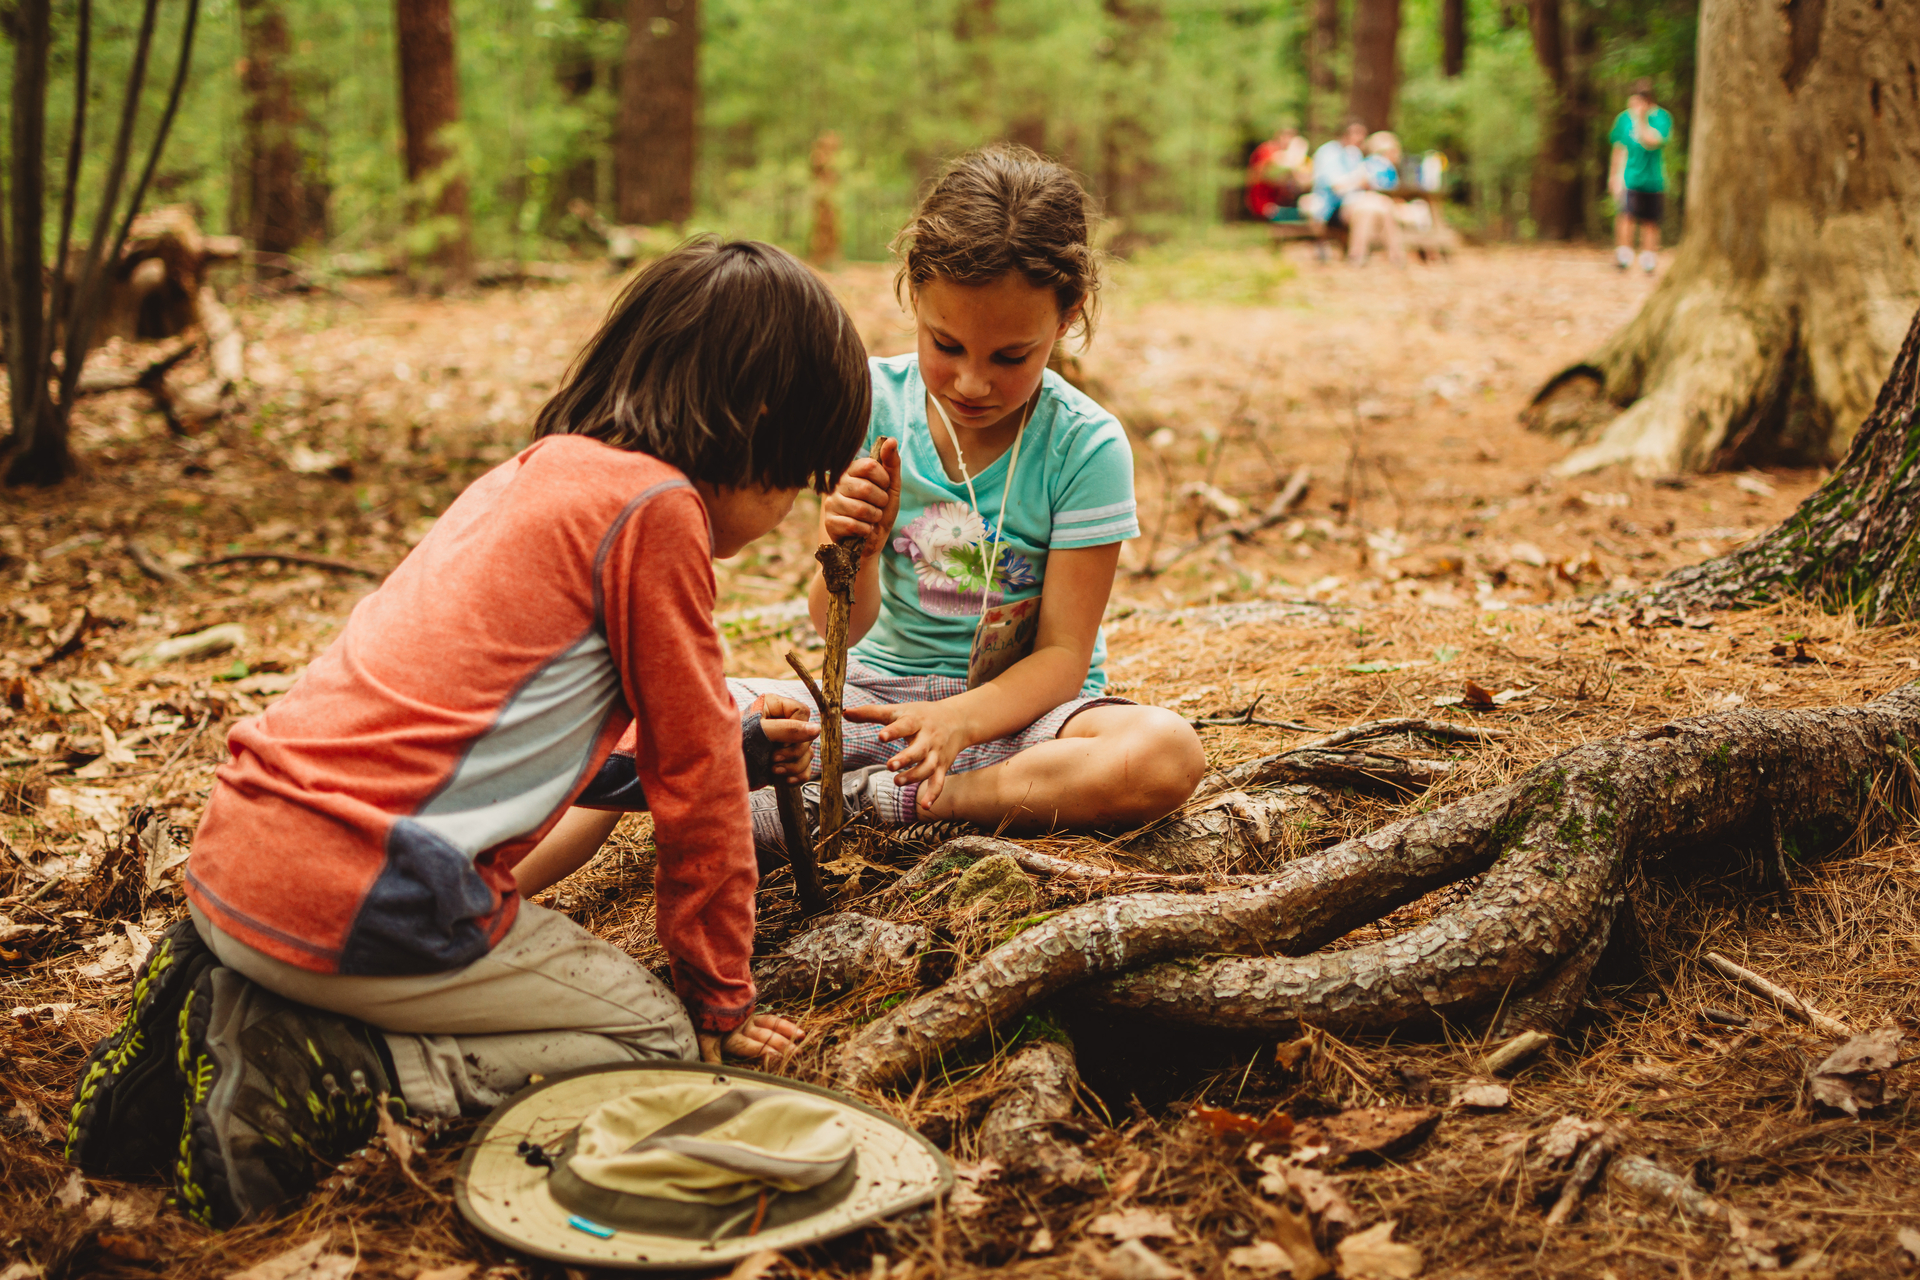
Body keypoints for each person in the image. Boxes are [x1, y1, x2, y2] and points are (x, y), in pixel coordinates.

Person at [65, 239, 872, 1227]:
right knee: (650, 1043)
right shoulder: (661, 512)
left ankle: (209, 994)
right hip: (363, 898)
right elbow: (697, 791)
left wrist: (739, 747)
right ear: (754, 426)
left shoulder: (535, 479)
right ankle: (337, 1069)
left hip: (239, 868)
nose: (787, 505)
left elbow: (486, 742)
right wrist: (719, 1001)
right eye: (793, 475)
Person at [660, 144, 1204, 854]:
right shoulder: (870, 405)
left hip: (1020, 722)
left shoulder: (1085, 447)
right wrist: (852, 549)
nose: (972, 383)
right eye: (945, 344)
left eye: (1011, 356)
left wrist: (962, 723)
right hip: (873, 704)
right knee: (669, 714)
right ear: (914, 294)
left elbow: (1064, 655)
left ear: (1066, 317)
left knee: (1164, 753)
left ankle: (898, 802)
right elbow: (835, 628)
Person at [1311, 121, 1404, 267]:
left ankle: (1394, 255)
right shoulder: (1328, 153)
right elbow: (1335, 186)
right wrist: (1358, 181)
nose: (1361, 139)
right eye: (1357, 134)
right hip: (1332, 206)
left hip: (1355, 202)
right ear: (1345, 135)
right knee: (1366, 210)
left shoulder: (1354, 153)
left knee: (1385, 205)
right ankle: (1358, 255)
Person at [1609, 78, 1673, 273]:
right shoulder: (1623, 119)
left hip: (1654, 179)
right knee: (1626, 215)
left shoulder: (1662, 118)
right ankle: (1624, 256)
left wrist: (1642, 119)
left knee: (1650, 220)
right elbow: (1618, 148)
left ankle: (1648, 259)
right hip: (1630, 177)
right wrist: (1613, 176)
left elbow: (1652, 141)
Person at [1245, 125, 1310, 221]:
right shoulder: (1267, 150)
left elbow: (1303, 180)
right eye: (1286, 136)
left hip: (1283, 203)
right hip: (1264, 204)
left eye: (1292, 137)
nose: (1288, 140)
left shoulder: (1293, 156)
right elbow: (1260, 175)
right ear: (1278, 135)